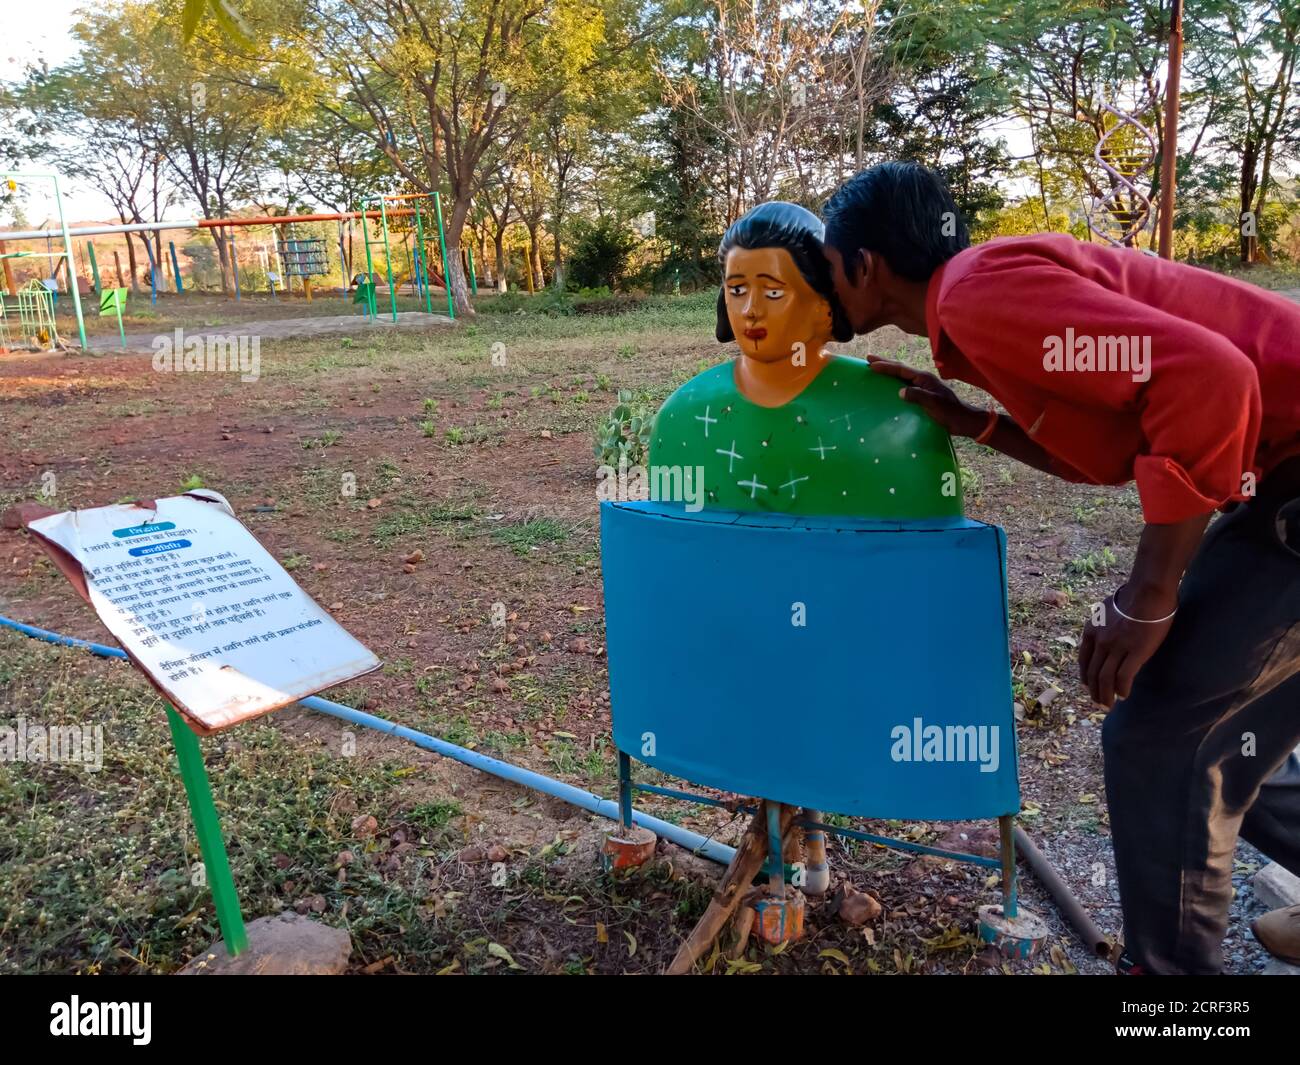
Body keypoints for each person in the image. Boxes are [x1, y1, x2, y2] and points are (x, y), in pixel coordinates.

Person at [820, 160, 1300, 975]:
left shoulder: (977, 294)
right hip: (1280, 483)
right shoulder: (976, 297)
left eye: (826, 267)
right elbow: (1116, 442)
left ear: (863, 264)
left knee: (1161, 736)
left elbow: (1213, 382)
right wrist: (978, 423)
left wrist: (1150, 595)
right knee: (1225, 733)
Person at [650, 200, 962, 520]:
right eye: (738, 289)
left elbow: (932, 554)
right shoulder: (681, 417)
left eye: (773, 292)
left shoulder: (899, 418)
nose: (750, 310)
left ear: (823, 304)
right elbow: (666, 542)